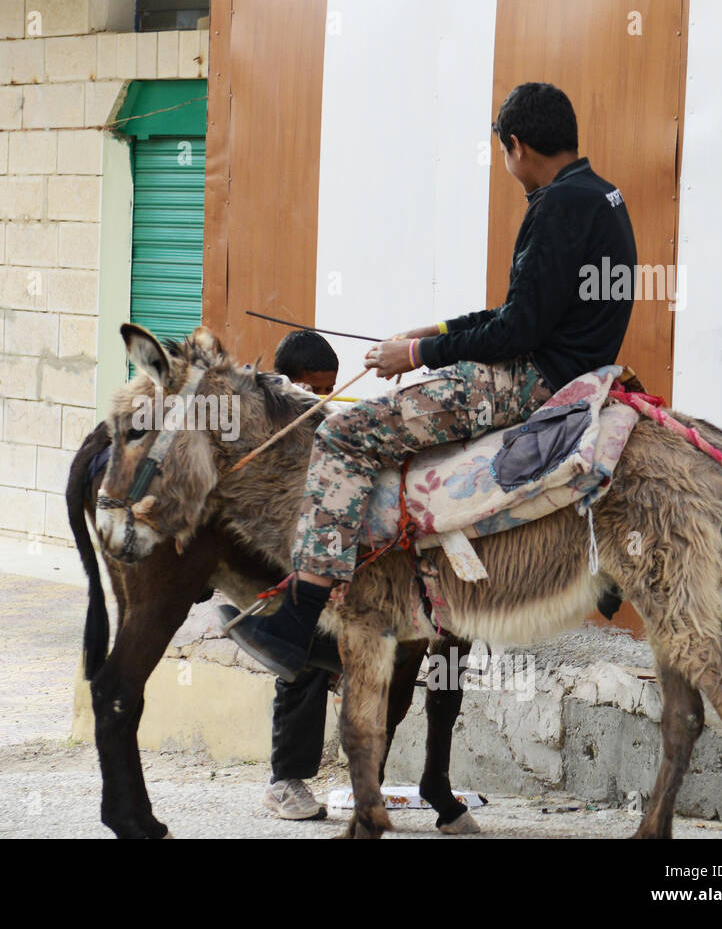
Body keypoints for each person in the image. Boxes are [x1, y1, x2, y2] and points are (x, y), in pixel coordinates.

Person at [230, 82, 638, 681]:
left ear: (516, 146)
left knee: (345, 434)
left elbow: (516, 332)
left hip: (532, 381)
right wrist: (437, 329)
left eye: (504, 153)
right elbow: (521, 312)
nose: (506, 165)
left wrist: (417, 353)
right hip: (571, 370)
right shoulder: (602, 196)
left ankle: (298, 616)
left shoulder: (554, 206)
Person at [262, 330, 340, 820]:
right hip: (282, 567)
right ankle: (283, 782)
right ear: (294, 384)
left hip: (319, 562)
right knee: (304, 659)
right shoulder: (268, 424)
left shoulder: (316, 423)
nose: (326, 400)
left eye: (331, 390)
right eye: (318, 389)